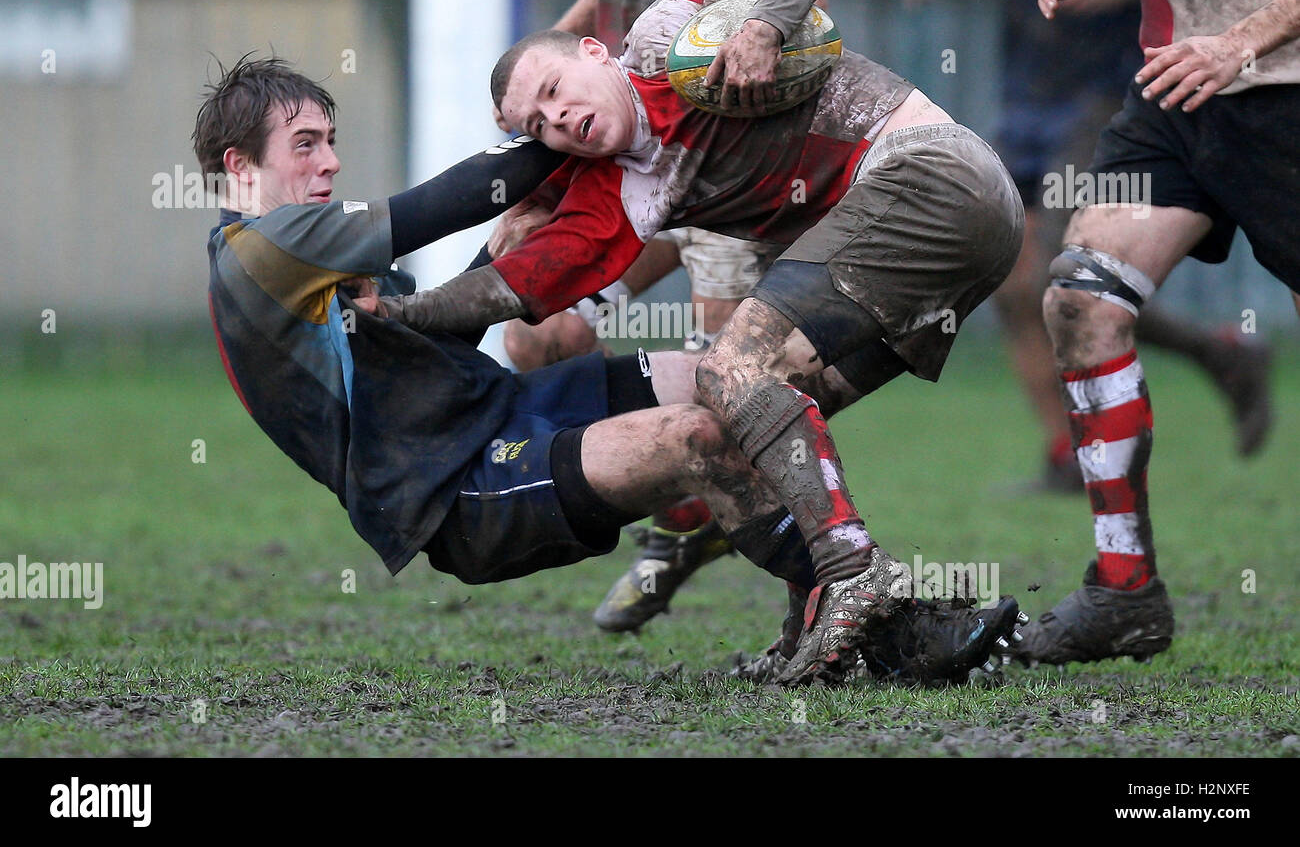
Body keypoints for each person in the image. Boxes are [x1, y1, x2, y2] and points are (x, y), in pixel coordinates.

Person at [198, 54, 1018, 685]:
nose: (330, 164)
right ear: (240, 167)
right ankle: (889, 628)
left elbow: (438, 358)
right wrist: (591, 119)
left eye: (331, 143)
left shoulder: (290, 262)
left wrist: (502, 247)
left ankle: (821, 611)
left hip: (500, 409)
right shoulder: (257, 254)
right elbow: (445, 200)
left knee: (740, 379)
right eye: (305, 146)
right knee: (703, 437)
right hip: (462, 491)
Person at [375, 0, 1028, 685]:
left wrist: (762, 26)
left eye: (553, 93)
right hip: (943, 234)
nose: (557, 122)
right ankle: (851, 624)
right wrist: (400, 313)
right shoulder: (616, 194)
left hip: (937, 174)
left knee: (729, 368)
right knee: (743, 427)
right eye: (538, 128)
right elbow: (513, 291)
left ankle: (855, 572)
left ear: (593, 52)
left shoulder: (660, 36)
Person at [501, 0, 822, 635]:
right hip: (628, 151)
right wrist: (537, 68)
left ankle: (814, 586)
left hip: (719, 150)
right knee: (540, 329)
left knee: (736, 391)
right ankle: (681, 503)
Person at [1013, 0, 1300, 665]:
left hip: (1287, 93)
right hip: (1178, 94)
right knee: (1079, 299)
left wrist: (1238, 43)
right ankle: (1124, 591)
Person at [906, 0, 1272, 491]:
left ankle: (1206, 364)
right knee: (1010, 280)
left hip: (1106, 92)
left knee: (1062, 273)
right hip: (1027, 94)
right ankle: (1067, 452)